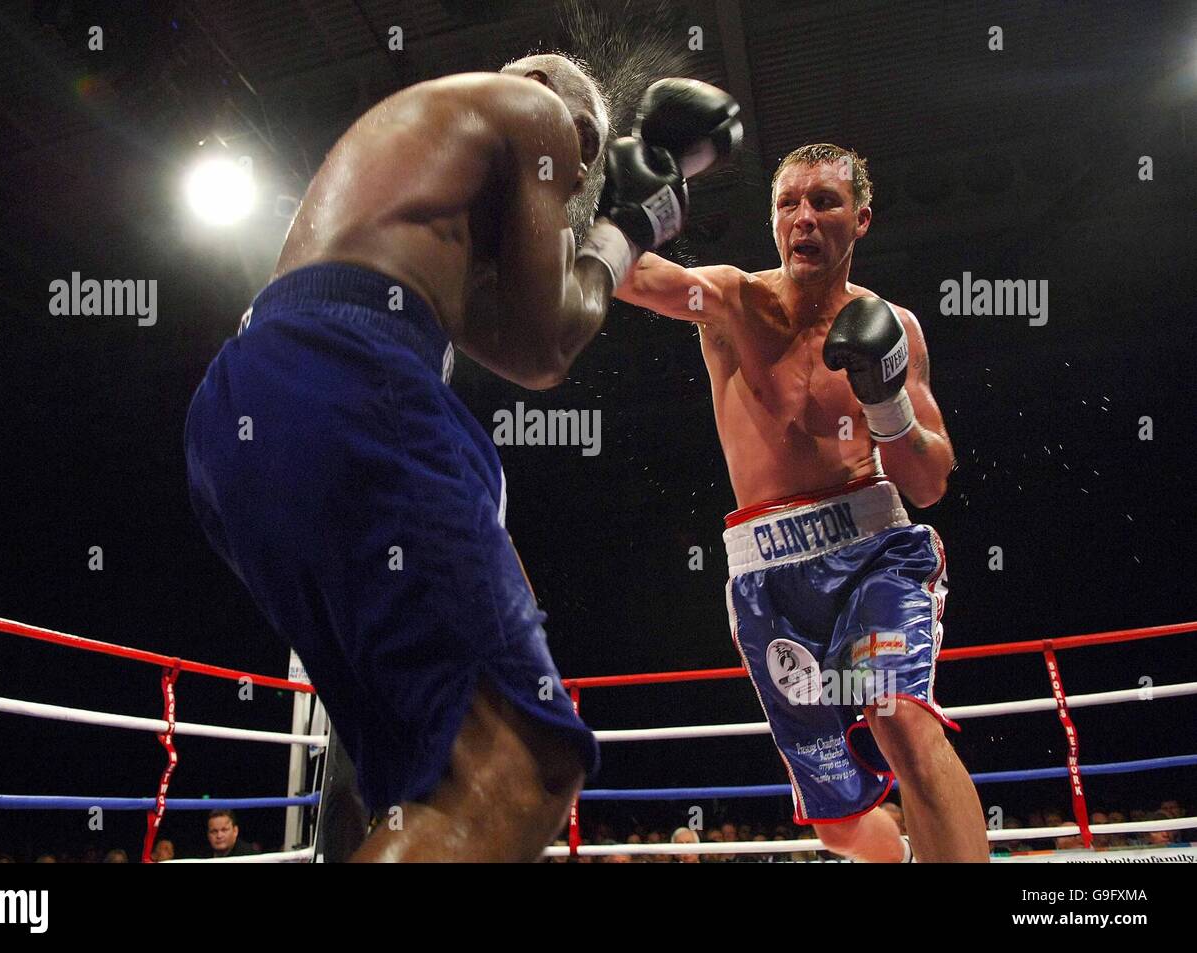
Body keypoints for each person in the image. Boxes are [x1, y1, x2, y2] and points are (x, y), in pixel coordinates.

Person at [185, 51, 740, 861]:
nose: (576, 179)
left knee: (410, 778)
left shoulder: (423, 192)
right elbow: (554, 343)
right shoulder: (537, 111)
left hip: (247, 414)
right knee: (520, 768)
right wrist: (628, 227)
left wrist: (615, 231)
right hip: (349, 376)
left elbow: (528, 348)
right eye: (582, 156)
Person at [616, 143, 987, 862]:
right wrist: (604, 198)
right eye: (789, 203)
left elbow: (931, 480)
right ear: (773, 219)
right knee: (836, 814)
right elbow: (626, 276)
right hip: (766, 575)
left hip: (872, 553)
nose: (805, 218)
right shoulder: (729, 302)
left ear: (863, 218)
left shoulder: (895, 327)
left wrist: (886, 407)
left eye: (825, 202)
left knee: (900, 717)